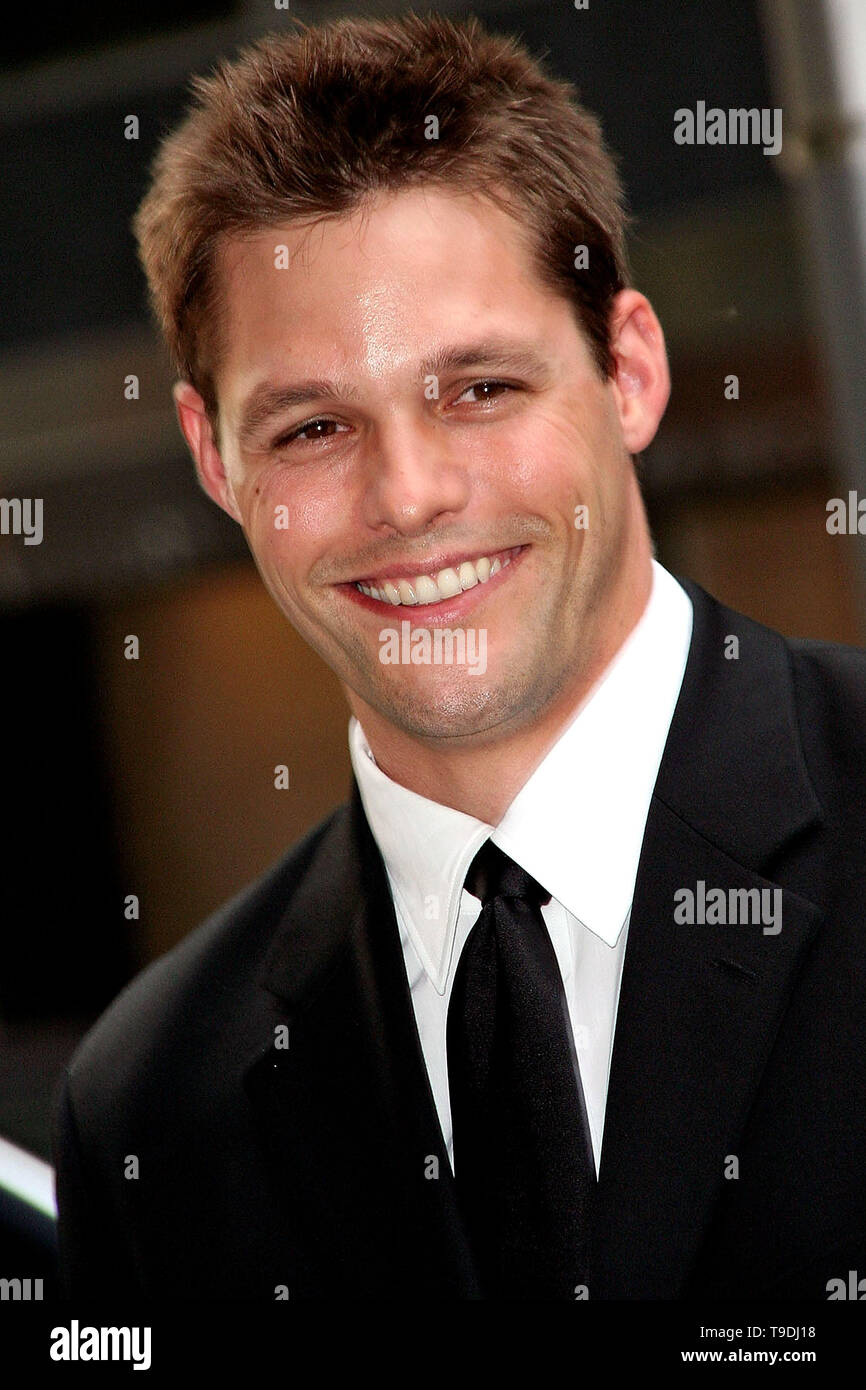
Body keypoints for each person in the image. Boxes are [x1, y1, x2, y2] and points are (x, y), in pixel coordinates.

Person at [53, 11, 866, 1301]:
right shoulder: (154, 1107)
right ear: (216, 460)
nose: (409, 495)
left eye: (480, 388)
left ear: (631, 369)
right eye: (314, 426)